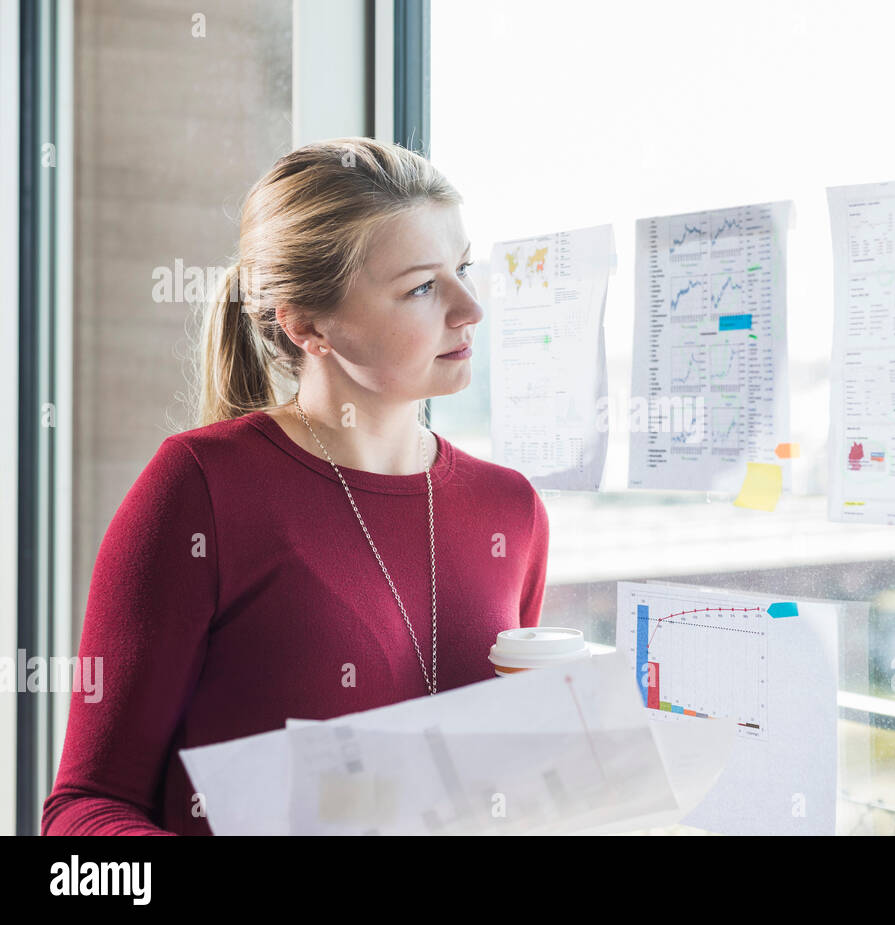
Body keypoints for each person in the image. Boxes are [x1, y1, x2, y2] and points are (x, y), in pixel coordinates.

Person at [41, 138, 549, 835]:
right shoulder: (200, 490)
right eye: (422, 287)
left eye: (462, 267)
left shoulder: (510, 509)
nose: (470, 309)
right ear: (308, 324)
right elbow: (85, 809)